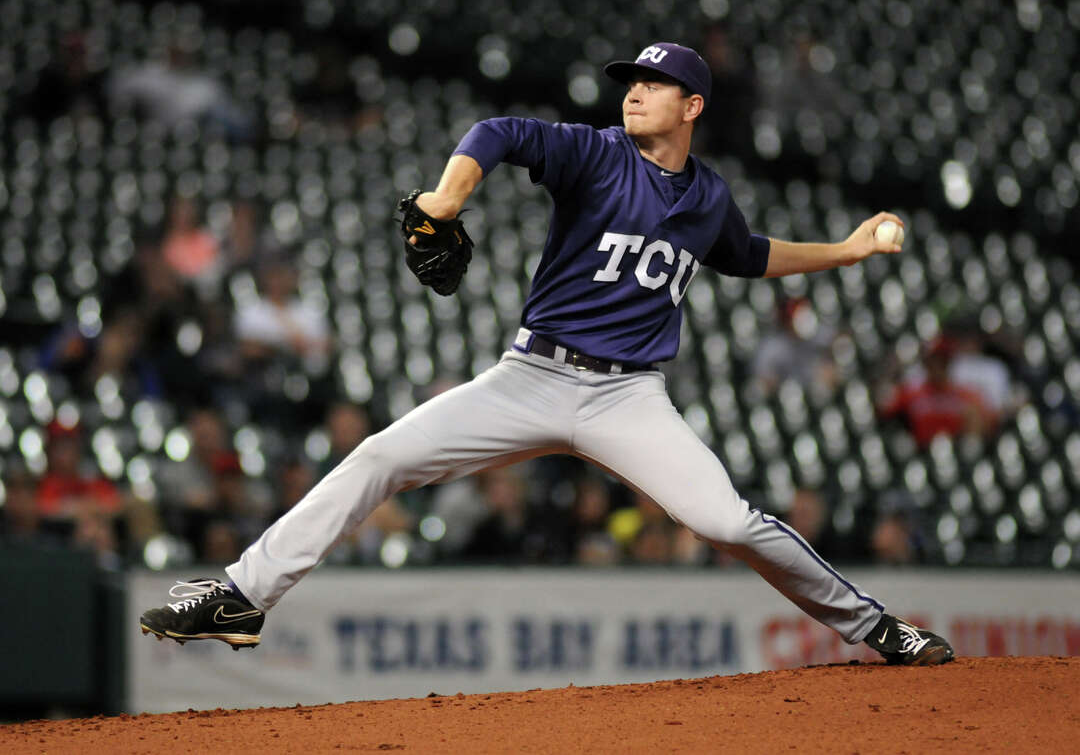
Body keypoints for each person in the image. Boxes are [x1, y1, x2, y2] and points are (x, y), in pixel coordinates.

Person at [141, 42, 954, 666]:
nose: (634, 91)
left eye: (654, 83)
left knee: (727, 520)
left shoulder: (708, 195)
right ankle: (242, 595)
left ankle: (878, 626)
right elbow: (498, 132)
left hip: (628, 397)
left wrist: (846, 250)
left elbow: (747, 254)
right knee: (379, 456)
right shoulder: (595, 152)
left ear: (692, 105)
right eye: (630, 81)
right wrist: (447, 197)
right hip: (530, 376)